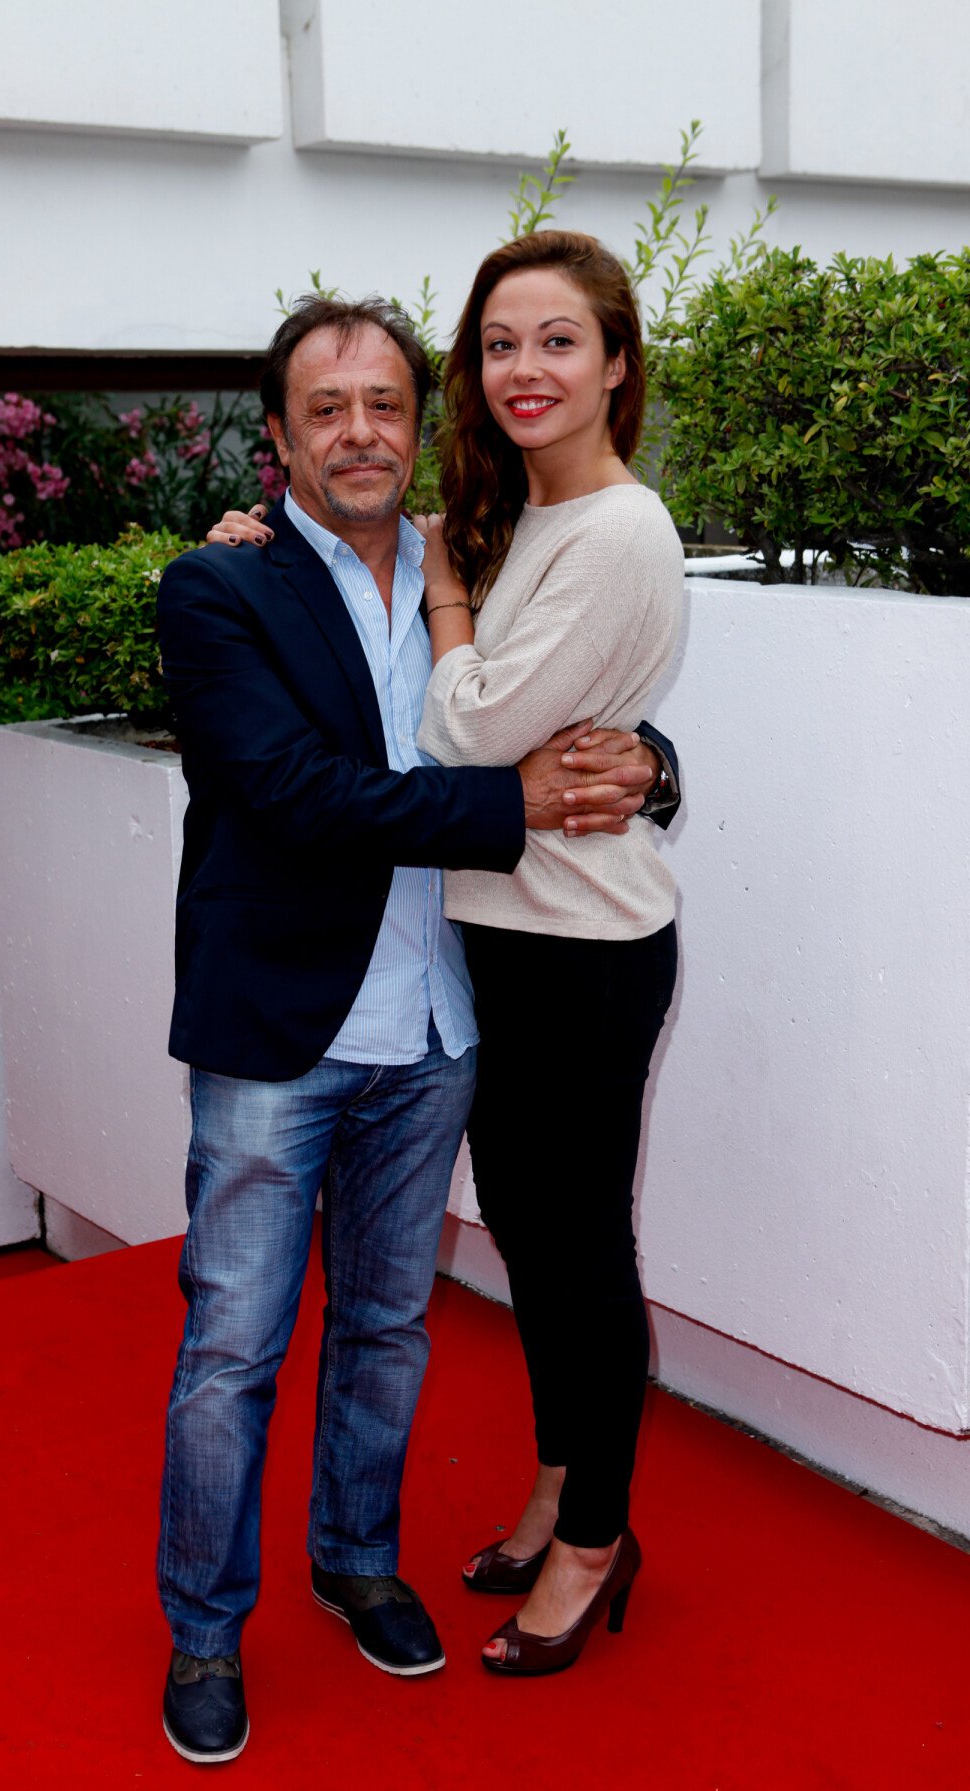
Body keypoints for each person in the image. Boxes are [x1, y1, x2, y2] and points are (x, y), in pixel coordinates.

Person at [155, 293, 676, 1761]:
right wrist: (513, 804)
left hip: (440, 1025)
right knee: (234, 1352)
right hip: (279, 1033)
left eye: (384, 402)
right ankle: (205, 1633)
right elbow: (299, 797)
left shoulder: (477, 556)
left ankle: (356, 1559)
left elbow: (571, 685)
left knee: (386, 1331)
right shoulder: (220, 588)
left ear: (416, 417)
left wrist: (648, 760)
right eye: (326, 411)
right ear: (278, 440)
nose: (361, 432)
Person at [410, 230, 683, 1676]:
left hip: (582, 949)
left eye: (559, 340)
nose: (526, 369)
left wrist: (451, 593)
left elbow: (465, 727)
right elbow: (493, 724)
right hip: (511, 936)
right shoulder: (530, 516)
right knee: (535, 1239)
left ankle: (596, 1542)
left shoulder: (616, 530)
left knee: (576, 1254)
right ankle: (560, 1482)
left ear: (616, 364)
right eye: (502, 343)